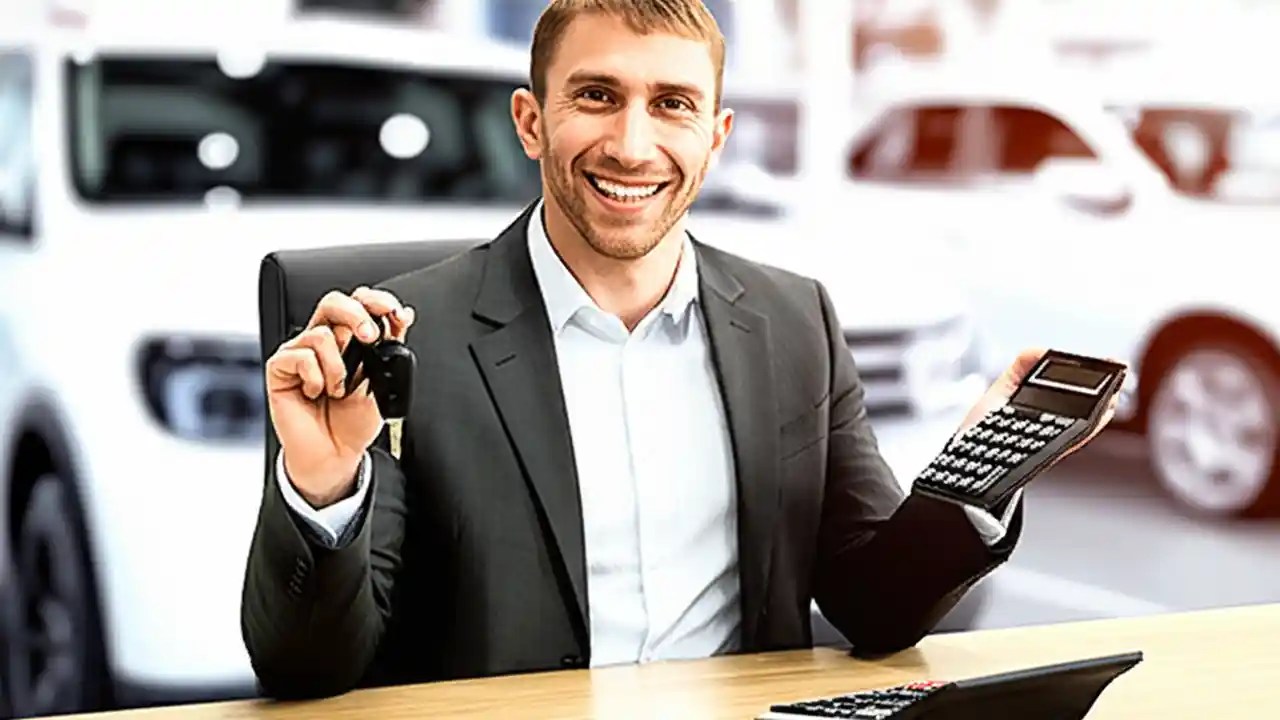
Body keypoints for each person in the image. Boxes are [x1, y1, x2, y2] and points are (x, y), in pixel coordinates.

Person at [241, 0, 1118, 700]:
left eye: (672, 105)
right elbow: (308, 672)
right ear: (530, 120)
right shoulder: (404, 340)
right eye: (596, 96)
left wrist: (975, 481)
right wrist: (321, 488)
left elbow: (875, 606)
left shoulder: (792, 320)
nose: (632, 143)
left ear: (716, 137)